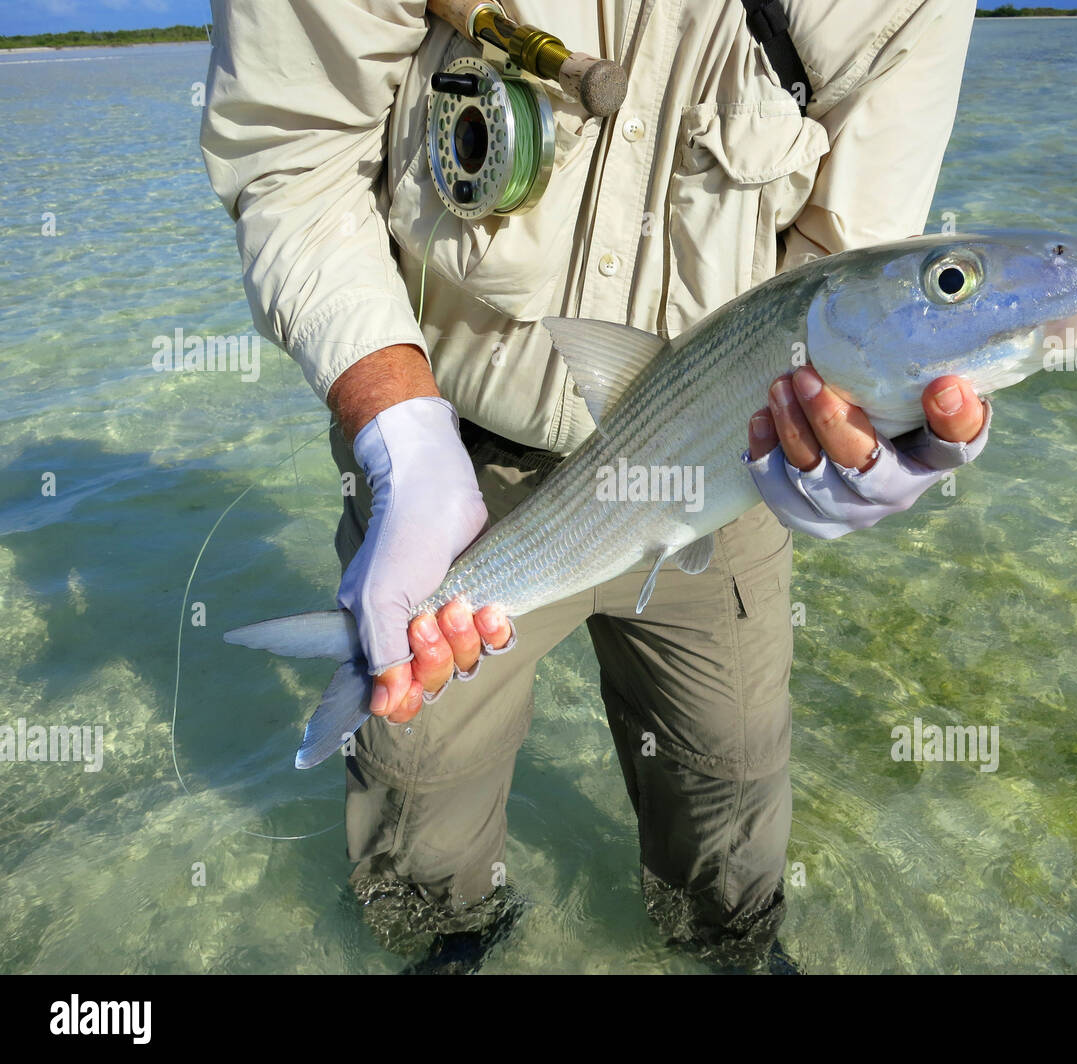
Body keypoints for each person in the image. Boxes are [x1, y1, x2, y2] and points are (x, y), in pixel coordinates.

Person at [201, 0, 987, 972]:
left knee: (728, 794)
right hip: (457, 472)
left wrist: (863, 435)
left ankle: (722, 946)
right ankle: (446, 940)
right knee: (418, 786)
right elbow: (290, 148)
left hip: (722, 478)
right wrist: (403, 438)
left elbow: (850, 273)